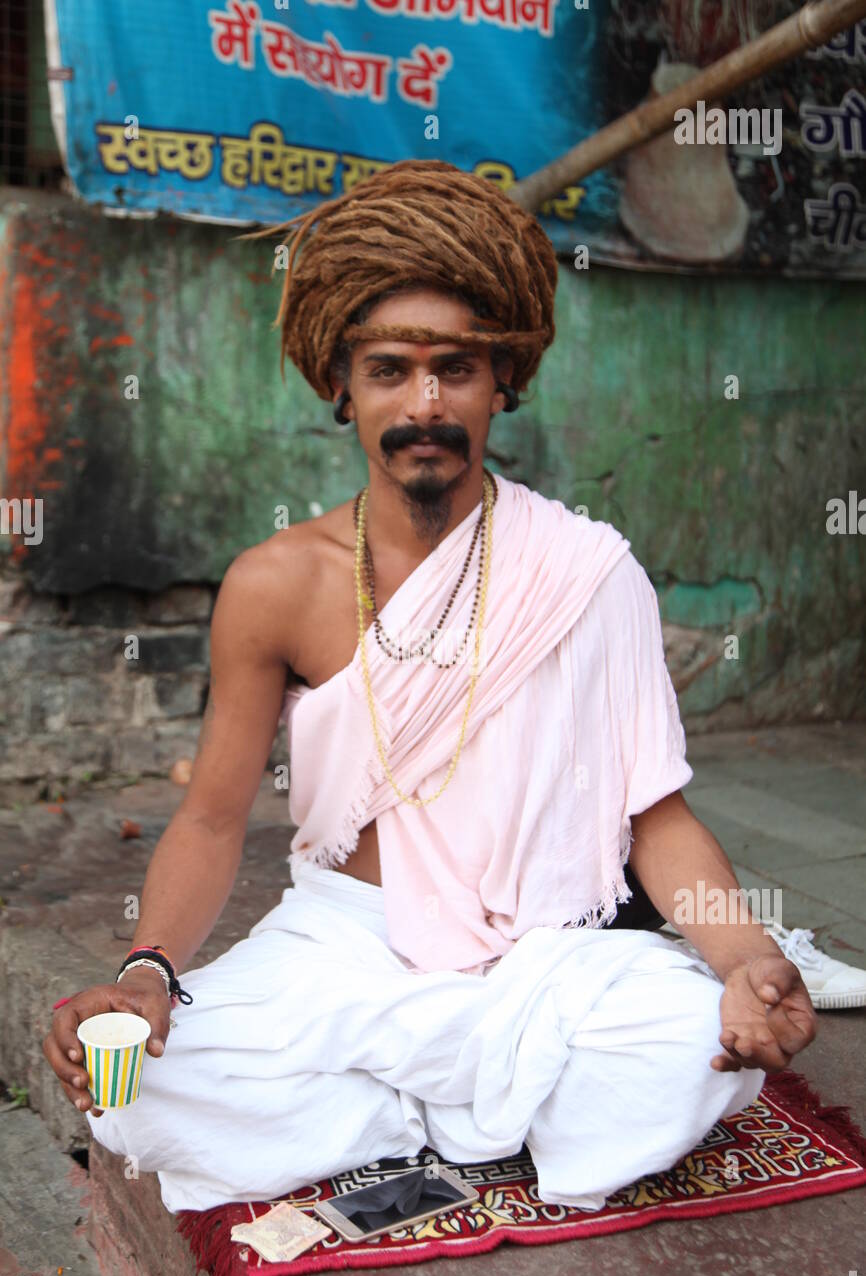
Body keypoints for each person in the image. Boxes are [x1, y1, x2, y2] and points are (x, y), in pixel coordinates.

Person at [43, 160, 817, 1216]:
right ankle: (458, 1107)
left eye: (454, 368)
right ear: (340, 386)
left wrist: (744, 958)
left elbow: (656, 816)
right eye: (388, 369)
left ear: (504, 380)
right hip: (345, 943)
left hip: (542, 951)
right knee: (129, 1086)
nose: (423, 402)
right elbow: (215, 817)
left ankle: (403, 1100)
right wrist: (144, 974)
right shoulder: (275, 585)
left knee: (689, 1044)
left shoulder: (586, 570)